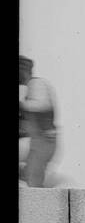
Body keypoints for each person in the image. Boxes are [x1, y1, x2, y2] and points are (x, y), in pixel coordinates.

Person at [19, 55, 58, 188]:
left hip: (44, 141)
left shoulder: (36, 83)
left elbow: (42, 104)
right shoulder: (28, 88)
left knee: (33, 181)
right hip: (36, 142)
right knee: (30, 177)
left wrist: (23, 105)